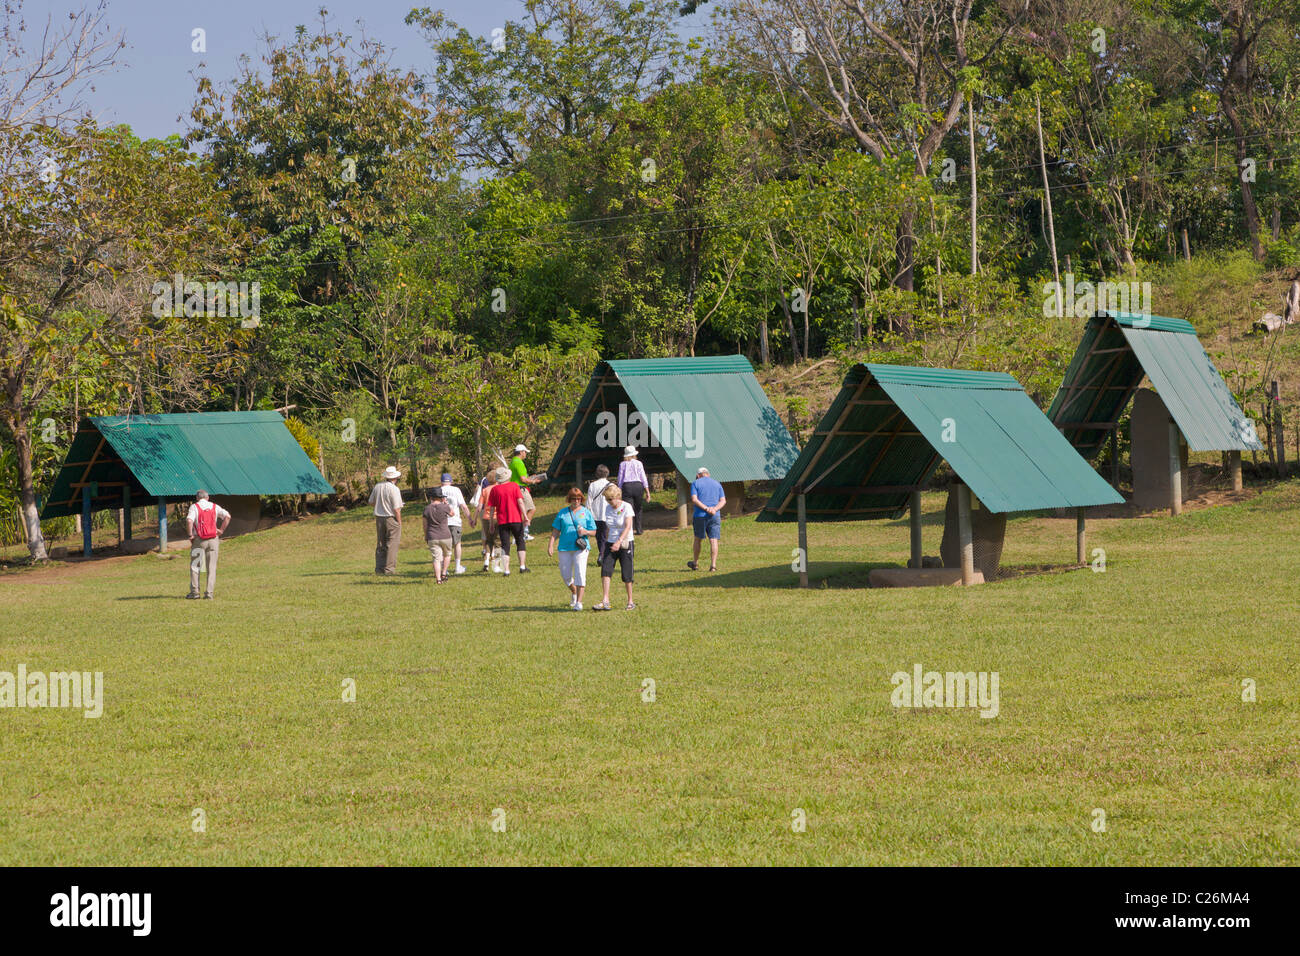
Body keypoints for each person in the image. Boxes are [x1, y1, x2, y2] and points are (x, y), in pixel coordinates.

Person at [547, 487, 597, 610]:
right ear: (569, 499)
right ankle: (574, 591)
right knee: (566, 575)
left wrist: (585, 531)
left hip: (581, 547)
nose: (576, 501)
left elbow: (594, 531)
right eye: (574, 498)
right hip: (564, 547)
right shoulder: (562, 513)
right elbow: (555, 531)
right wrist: (551, 544)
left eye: (579, 498)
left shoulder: (586, 512)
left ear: (581, 499)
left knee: (580, 572)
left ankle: (579, 602)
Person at [593, 482, 636, 611]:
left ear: (618, 496)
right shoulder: (607, 508)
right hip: (610, 543)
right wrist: (604, 545)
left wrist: (619, 541)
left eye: (611, 499)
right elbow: (607, 527)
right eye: (607, 499)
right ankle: (605, 600)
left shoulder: (627, 507)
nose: (609, 502)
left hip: (625, 543)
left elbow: (628, 526)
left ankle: (630, 601)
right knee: (605, 570)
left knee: (626, 573)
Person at [186, 490, 231, 599]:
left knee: (196, 566)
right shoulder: (214, 506)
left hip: (199, 540)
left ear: (197, 498)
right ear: (208, 497)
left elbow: (189, 521)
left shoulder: (194, 507)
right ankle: (209, 593)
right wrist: (221, 530)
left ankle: (195, 593)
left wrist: (190, 535)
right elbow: (228, 516)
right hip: (213, 540)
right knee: (211, 567)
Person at [484, 467, 529, 575]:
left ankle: (507, 570)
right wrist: (525, 516)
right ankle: (522, 566)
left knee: (505, 545)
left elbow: (492, 509)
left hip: (502, 520)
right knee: (520, 541)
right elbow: (520, 502)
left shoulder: (495, 489)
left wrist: (491, 523)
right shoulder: (514, 486)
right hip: (516, 519)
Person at [686, 466, 726, 572]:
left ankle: (695, 563)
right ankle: (713, 565)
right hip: (715, 515)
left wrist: (706, 508)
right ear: (708, 474)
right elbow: (723, 500)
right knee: (713, 540)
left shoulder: (695, 483)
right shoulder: (717, 484)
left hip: (700, 515)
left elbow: (694, 499)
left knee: (698, 539)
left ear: (698, 475)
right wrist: (714, 509)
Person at [368, 465, 405, 575]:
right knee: (392, 544)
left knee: (381, 543)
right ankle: (389, 570)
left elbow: (371, 502)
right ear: (395, 478)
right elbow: (396, 509)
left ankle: (379, 569)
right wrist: (399, 522)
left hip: (379, 518)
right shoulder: (394, 489)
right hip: (391, 518)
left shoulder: (377, 486)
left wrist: (379, 506)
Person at [509, 444, 544, 541]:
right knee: (531, 509)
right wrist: (533, 481)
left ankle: (519, 533)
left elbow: (520, 477)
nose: (525, 454)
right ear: (521, 452)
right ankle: (523, 532)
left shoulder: (512, 461)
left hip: (515, 488)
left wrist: (530, 478)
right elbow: (523, 479)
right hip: (521, 489)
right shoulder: (519, 462)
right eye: (525, 452)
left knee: (521, 511)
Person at [439, 472, 472, 574]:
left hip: (442, 522)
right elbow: (463, 506)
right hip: (455, 521)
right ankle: (458, 567)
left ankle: (444, 569)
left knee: (443, 546)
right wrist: (470, 519)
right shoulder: (456, 490)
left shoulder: (439, 491)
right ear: (451, 481)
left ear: (441, 482)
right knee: (457, 544)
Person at [422, 487, 455, 583]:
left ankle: (438, 579)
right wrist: (446, 504)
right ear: (441, 497)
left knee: (436, 558)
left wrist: (426, 535)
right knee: (447, 554)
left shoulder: (427, 508)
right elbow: (452, 514)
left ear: (431, 497)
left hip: (432, 536)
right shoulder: (444, 507)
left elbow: (425, 524)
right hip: (445, 535)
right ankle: (444, 573)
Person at [617, 445, 648, 534]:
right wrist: (647, 491)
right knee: (638, 508)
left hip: (627, 486)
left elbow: (620, 478)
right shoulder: (639, 463)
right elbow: (643, 477)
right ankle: (639, 529)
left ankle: (629, 529)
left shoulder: (622, 464)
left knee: (627, 509)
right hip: (638, 486)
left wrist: (619, 489)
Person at [470, 471, 497, 571]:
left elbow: (479, 506)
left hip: (486, 517)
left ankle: (486, 562)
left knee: (488, 540)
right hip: (497, 517)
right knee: (498, 541)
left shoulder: (484, 490)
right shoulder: (498, 489)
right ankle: (496, 564)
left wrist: (475, 519)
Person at [585, 463, 612, 565]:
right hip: (607, 515)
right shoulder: (611, 485)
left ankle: (601, 554)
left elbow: (589, 501)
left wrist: (588, 514)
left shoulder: (592, 485)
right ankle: (602, 554)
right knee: (605, 536)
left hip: (595, 515)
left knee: (599, 537)